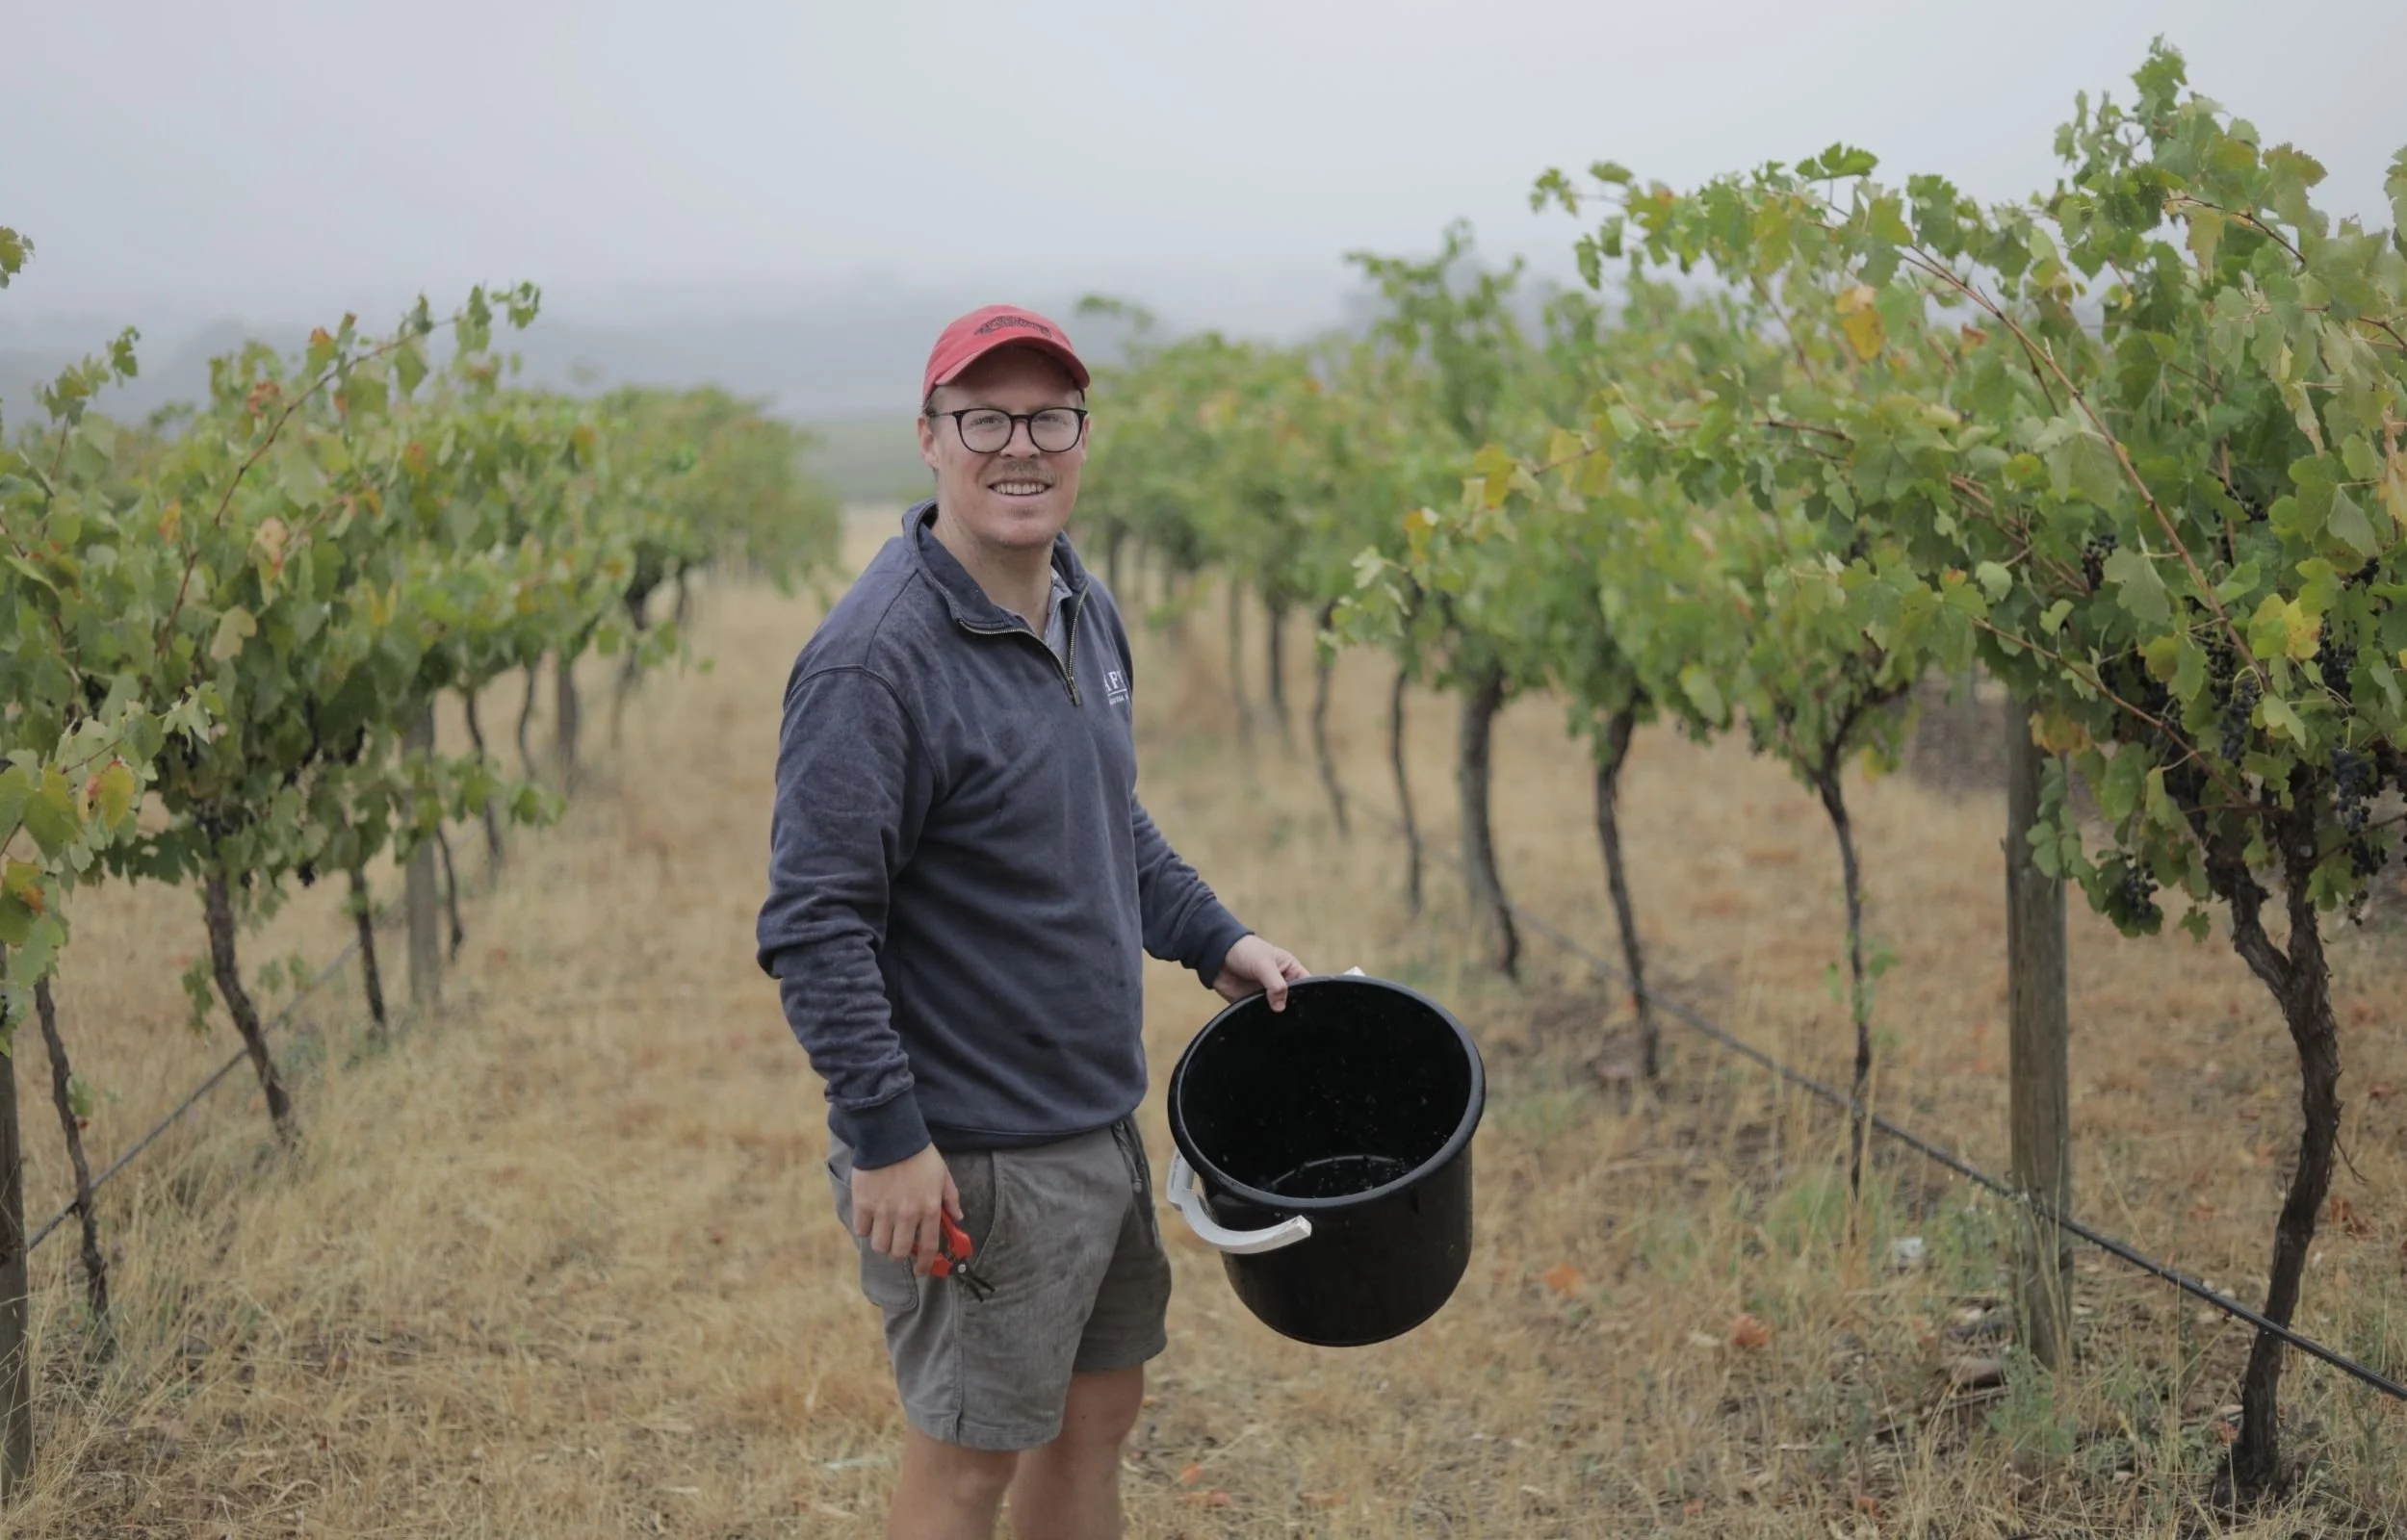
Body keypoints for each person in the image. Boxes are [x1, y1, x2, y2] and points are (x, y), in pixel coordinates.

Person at [755, 302, 1308, 1540]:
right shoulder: (875, 664)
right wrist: (888, 1138)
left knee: (1096, 1412)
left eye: (1048, 417)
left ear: (1080, 436)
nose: (1021, 445)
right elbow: (814, 923)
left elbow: (1104, 809)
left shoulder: (1076, 601)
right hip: (973, 1151)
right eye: (985, 417)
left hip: (1091, 1119)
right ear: (930, 438)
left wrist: (1217, 937)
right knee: (966, 1465)